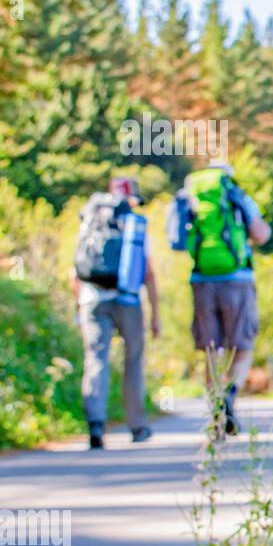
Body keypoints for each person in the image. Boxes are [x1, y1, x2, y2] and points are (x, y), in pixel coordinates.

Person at [169, 158, 271, 437]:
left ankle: (215, 404)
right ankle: (230, 392)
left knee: (212, 350)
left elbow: (176, 241)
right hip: (238, 280)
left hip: (201, 280)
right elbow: (260, 234)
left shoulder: (191, 197)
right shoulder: (236, 195)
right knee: (243, 345)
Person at [73, 177, 160, 450]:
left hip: (92, 299)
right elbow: (148, 273)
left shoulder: (89, 220)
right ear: (132, 196)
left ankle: (96, 425)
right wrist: (156, 314)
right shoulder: (133, 223)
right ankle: (137, 426)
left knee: (96, 359)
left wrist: (79, 306)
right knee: (133, 360)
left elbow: (74, 270)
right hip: (128, 301)